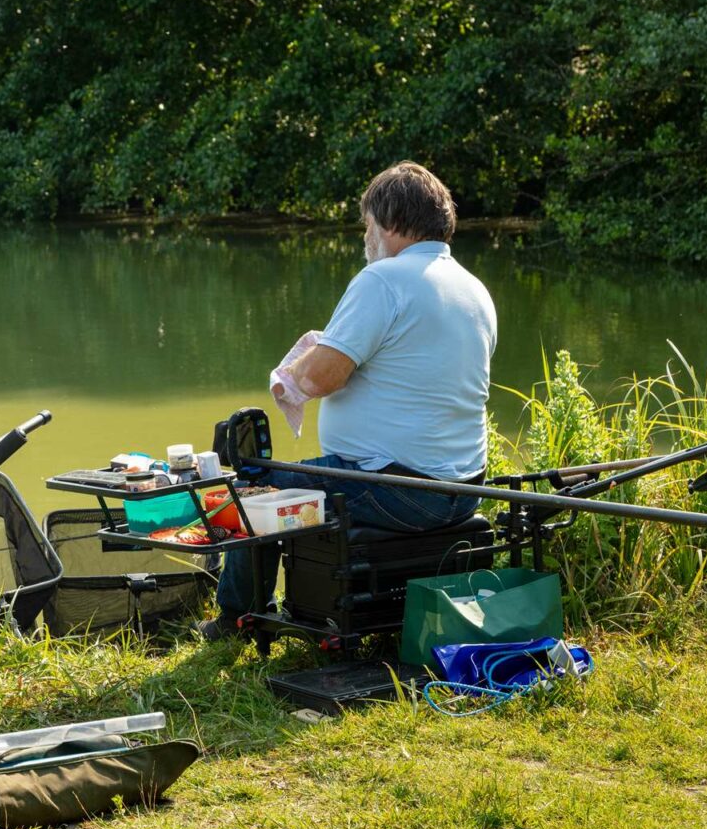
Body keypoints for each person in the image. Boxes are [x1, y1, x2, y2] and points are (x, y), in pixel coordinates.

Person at [203, 161, 497, 639]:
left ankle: (237, 620)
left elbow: (320, 379)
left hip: (398, 488)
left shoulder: (385, 280)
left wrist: (297, 363)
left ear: (391, 223)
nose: (366, 237)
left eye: (367, 225)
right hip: (463, 490)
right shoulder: (474, 288)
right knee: (298, 473)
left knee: (257, 484)